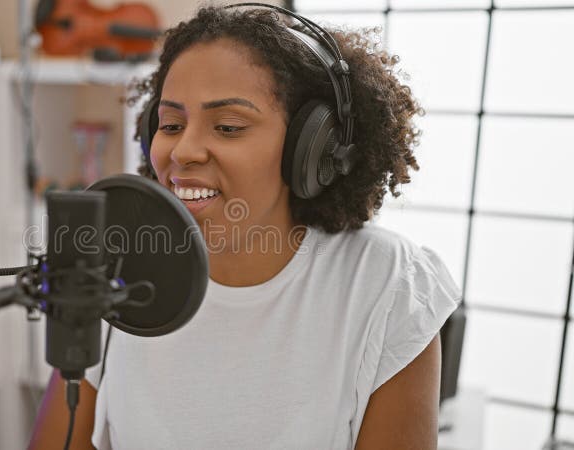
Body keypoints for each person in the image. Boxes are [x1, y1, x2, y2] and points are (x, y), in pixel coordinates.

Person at [29, 5, 461, 449]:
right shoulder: (115, 269)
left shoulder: (387, 285)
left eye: (229, 127)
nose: (185, 151)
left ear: (311, 149)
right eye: (171, 124)